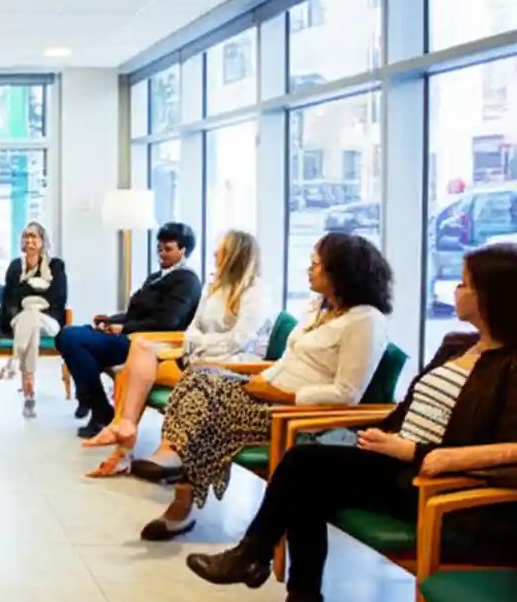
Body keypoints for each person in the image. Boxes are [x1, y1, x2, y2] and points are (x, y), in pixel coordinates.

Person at [186, 243, 517, 602]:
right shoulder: (457, 346)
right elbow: (411, 407)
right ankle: (285, 587)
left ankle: (269, 572)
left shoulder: (510, 365)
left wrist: (415, 451)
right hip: (397, 464)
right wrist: (386, 433)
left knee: (305, 473)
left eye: (464, 284)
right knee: (302, 465)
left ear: (493, 294)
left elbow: (503, 449)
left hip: (437, 487)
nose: (455, 292)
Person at [135, 232, 392, 542]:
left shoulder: (365, 321)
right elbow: (290, 359)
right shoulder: (319, 309)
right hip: (267, 392)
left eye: (315, 265)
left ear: (340, 271)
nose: (308, 270)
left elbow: (348, 394)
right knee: (199, 376)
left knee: (207, 400)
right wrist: (263, 380)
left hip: (294, 413)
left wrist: (280, 394)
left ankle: (178, 489)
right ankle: (172, 458)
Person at [84, 230, 273, 477]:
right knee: (139, 350)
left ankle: (122, 449)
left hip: (228, 367)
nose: (215, 252)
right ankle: (124, 428)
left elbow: (236, 341)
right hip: (196, 357)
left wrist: (198, 347)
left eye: (221, 248)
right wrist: (195, 346)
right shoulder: (214, 285)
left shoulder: (256, 292)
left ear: (236, 254)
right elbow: (193, 328)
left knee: (131, 374)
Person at [56, 222, 203, 439]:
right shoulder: (156, 277)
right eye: (159, 247)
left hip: (146, 345)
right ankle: (98, 405)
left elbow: (168, 322)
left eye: (168, 248)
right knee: (68, 336)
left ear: (183, 250)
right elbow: (134, 313)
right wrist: (109, 321)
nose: (161, 253)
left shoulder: (187, 281)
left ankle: (97, 405)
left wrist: (124, 327)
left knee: (73, 341)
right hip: (130, 335)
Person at [0, 222, 67, 419]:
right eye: (26, 237)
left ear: (43, 241)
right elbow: (10, 299)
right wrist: (36, 291)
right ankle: (29, 393)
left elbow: (57, 297)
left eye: (34, 237)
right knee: (31, 323)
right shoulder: (15, 267)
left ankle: (13, 362)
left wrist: (27, 290)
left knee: (33, 317)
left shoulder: (56, 266)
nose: (29, 241)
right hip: (21, 319)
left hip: (50, 320)